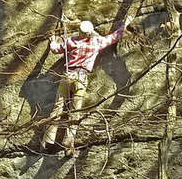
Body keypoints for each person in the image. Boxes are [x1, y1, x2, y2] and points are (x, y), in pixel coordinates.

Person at [43, 17, 131, 156]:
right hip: (81, 79)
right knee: (75, 111)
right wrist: (125, 24)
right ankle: (68, 143)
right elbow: (114, 37)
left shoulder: (71, 41)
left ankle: (48, 139)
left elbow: (55, 49)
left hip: (67, 77)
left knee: (58, 107)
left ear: (80, 31)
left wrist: (53, 41)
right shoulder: (97, 42)